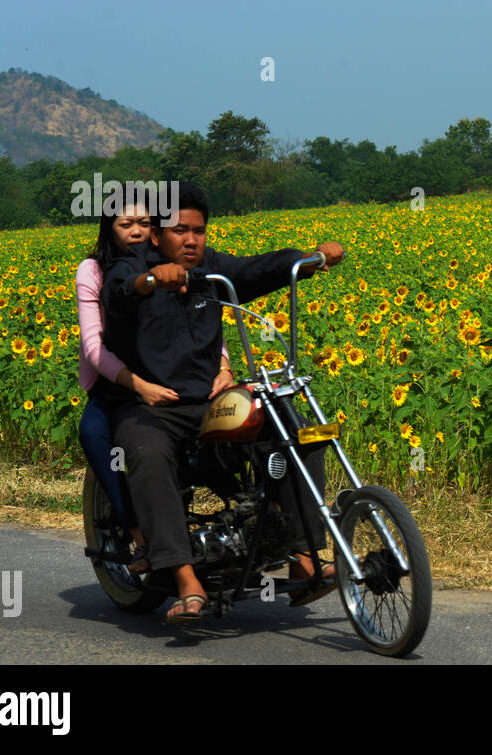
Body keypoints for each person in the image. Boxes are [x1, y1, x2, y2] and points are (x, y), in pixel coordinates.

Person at [101, 181, 345, 622]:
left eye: (199, 230)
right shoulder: (130, 265)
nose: (191, 239)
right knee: (147, 453)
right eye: (179, 230)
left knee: (296, 431)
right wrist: (150, 280)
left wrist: (307, 260)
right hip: (151, 406)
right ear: (156, 235)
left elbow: (255, 269)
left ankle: (303, 554)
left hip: (210, 400)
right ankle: (184, 576)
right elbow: (119, 292)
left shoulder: (212, 268)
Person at [75, 192, 231, 574]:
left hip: (175, 381)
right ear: (108, 229)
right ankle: (138, 533)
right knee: (96, 435)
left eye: (144, 224)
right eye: (125, 225)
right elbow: (95, 348)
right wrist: (140, 385)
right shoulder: (94, 271)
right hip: (118, 383)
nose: (136, 232)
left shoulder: (170, 264)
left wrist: (223, 366)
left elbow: (202, 324)